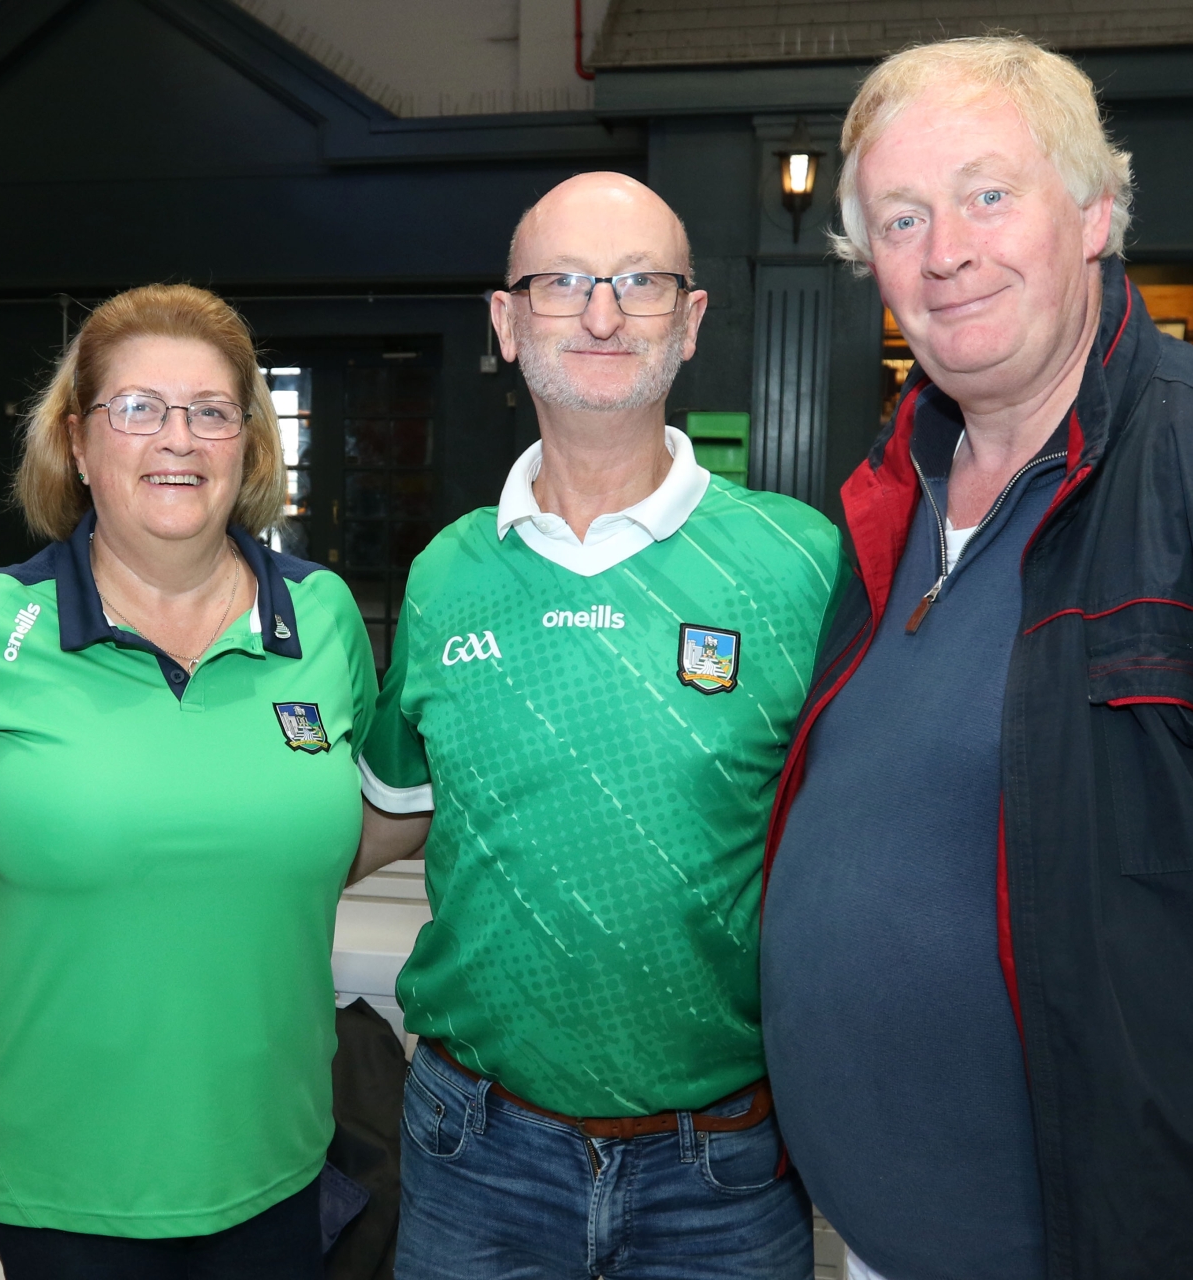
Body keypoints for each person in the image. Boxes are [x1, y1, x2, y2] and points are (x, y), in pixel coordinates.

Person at [760, 35, 1193, 1280]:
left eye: (989, 194)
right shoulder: (889, 500)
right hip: (876, 1243)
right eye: (901, 217)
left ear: (1095, 210)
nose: (946, 252)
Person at [350, 172, 840, 1279]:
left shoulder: (801, 563)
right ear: (507, 320)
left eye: (641, 282)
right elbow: (381, 816)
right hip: (475, 1152)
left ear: (693, 318)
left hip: (723, 1165)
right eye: (564, 282)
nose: (605, 313)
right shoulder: (447, 575)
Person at [0, 284, 378, 1280]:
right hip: (67, 1170)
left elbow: (360, 818)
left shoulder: (323, 616)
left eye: (210, 411)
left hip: (275, 1156)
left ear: (248, 443)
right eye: (138, 408)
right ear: (77, 441)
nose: (178, 439)